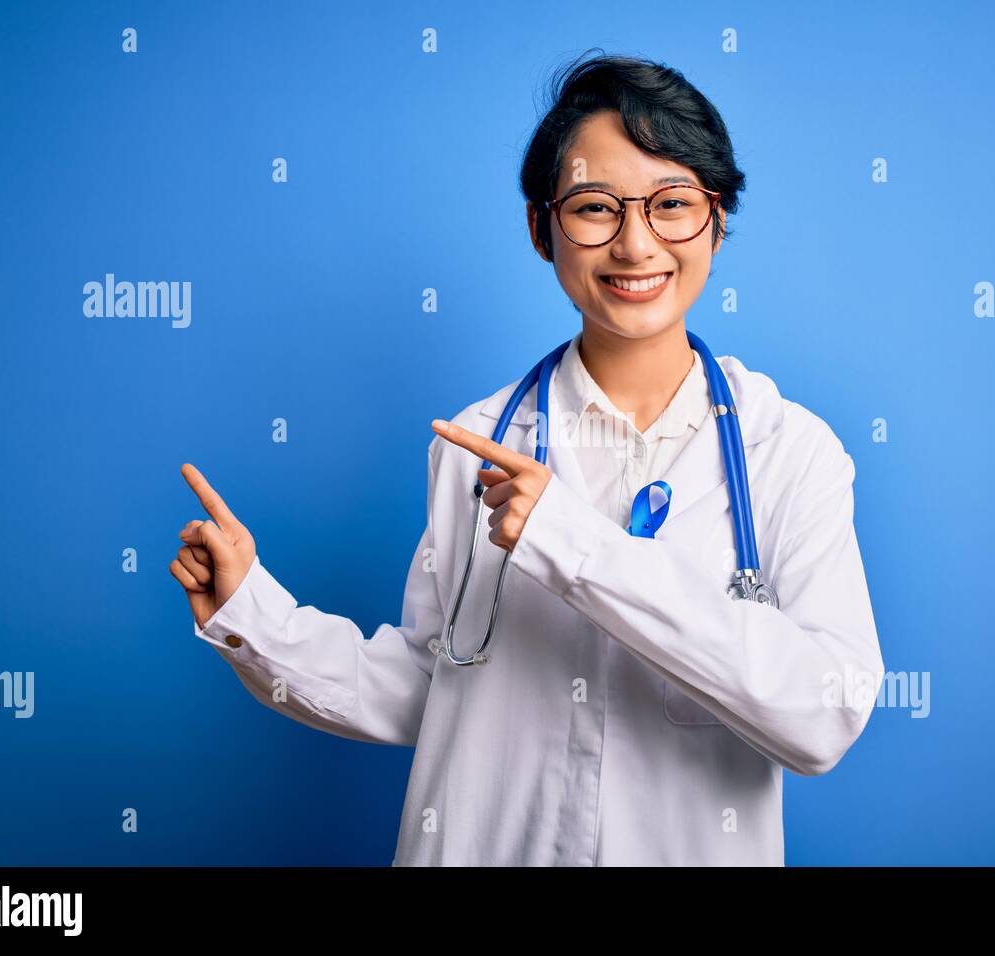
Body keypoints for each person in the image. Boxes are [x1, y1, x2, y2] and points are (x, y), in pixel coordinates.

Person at [170, 52, 884, 866]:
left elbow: (823, 718)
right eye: (593, 208)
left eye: (672, 204)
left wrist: (572, 545)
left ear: (717, 223)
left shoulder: (788, 452)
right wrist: (253, 618)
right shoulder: (479, 442)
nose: (635, 242)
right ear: (542, 230)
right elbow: (431, 687)